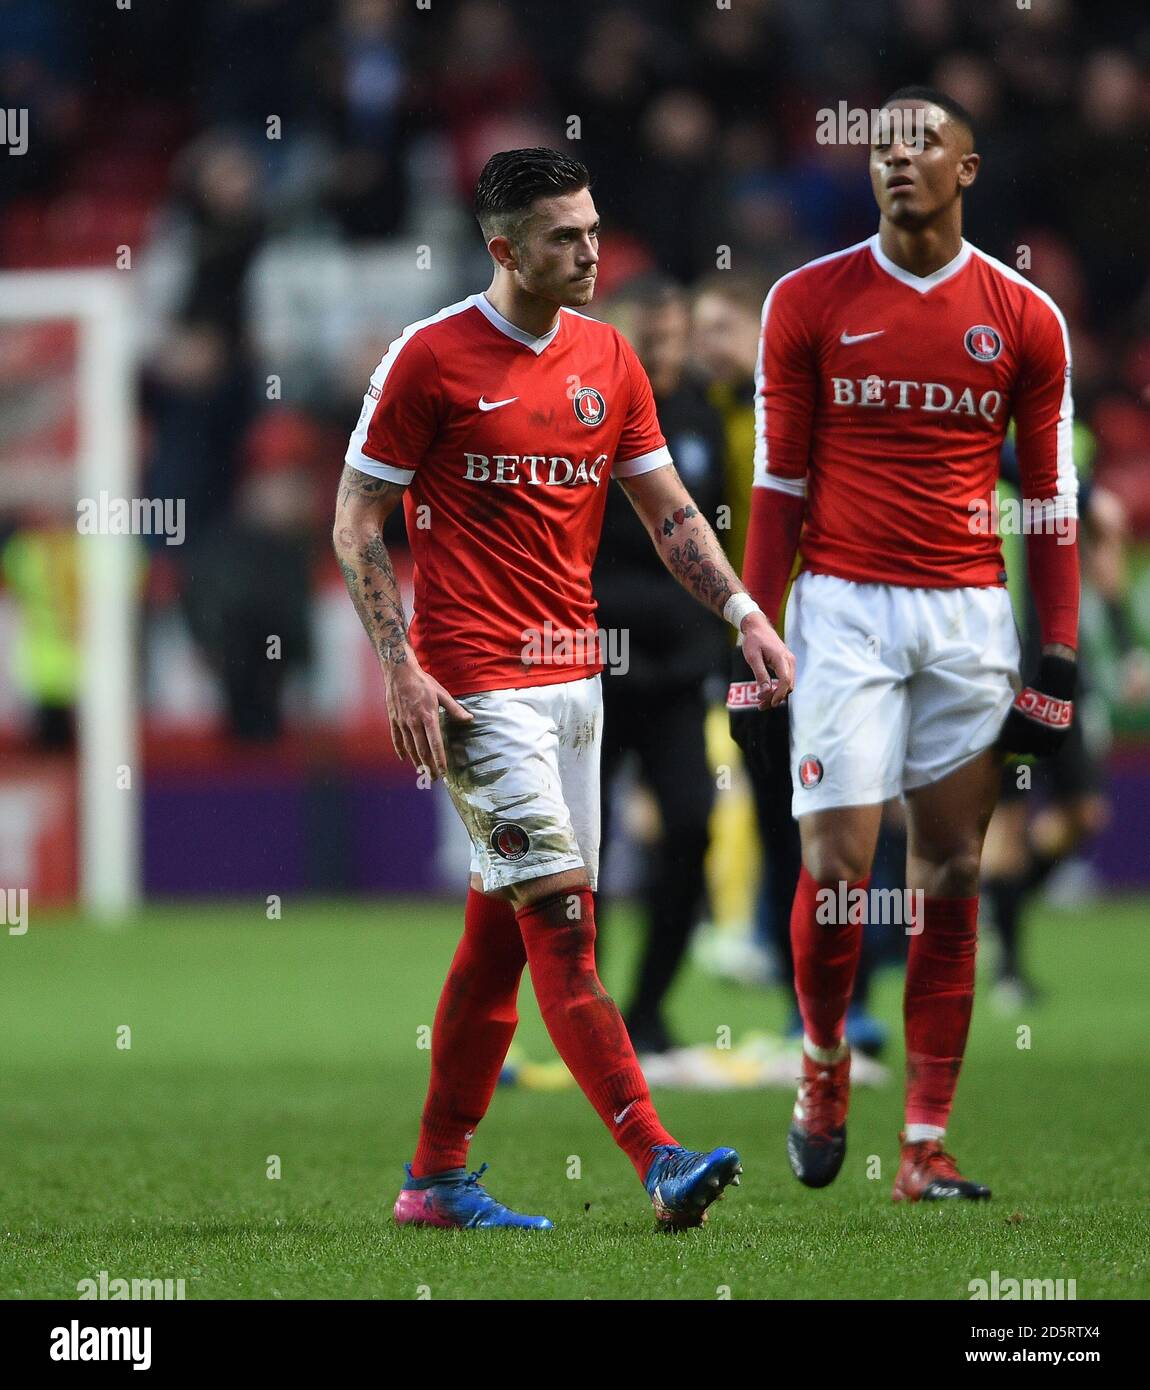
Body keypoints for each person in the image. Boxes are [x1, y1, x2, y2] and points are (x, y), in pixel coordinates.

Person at [333, 148, 794, 1229]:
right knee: (562, 927)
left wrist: (743, 614)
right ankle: (658, 1154)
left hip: (576, 682)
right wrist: (399, 665)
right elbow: (356, 517)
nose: (589, 252)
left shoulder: (610, 358)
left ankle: (433, 1178)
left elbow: (670, 512)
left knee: (499, 938)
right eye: (563, 238)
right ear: (504, 249)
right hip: (475, 688)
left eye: (593, 230)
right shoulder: (429, 360)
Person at [740, 88, 1080, 1202]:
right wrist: (754, 619)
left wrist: (1059, 650)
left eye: (920, 144)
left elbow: (1049, 501)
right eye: (881, 147)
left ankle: (924, 1142)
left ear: (965, 170)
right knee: (838, 865)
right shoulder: (805, 299)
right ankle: (824, 1064)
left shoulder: (1024, 317)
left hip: (968, 617)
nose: (896, 160)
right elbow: (778, 483)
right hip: (840, 608)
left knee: (954, 868)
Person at [592, 278, 728, 1058]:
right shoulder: (588, 412)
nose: (663, 352)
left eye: (673, 338)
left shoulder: (700, 412)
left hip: (679, 671)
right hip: (595, 667)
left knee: (690, 828)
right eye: (651, 338)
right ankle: (595, 1016)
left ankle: (647, 1006)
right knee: (589, 850)